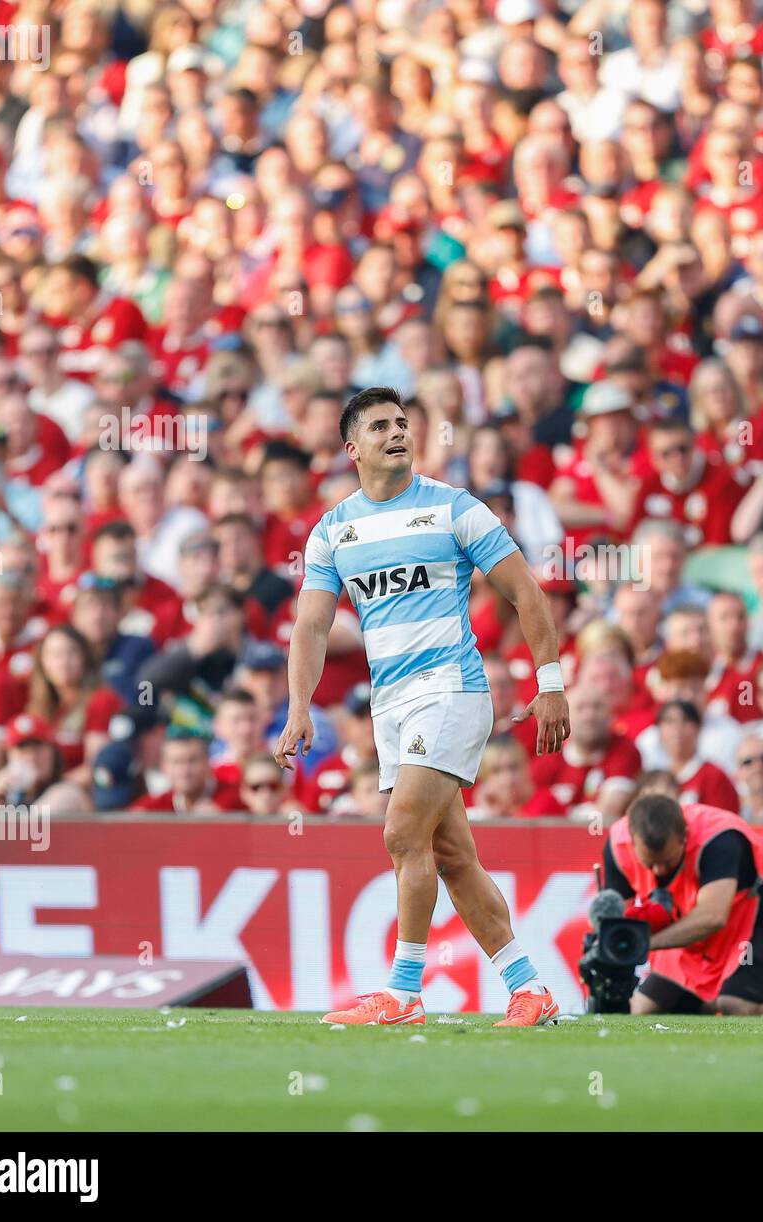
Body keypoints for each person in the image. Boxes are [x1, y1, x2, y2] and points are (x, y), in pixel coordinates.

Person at [277, 386, 569, 1028]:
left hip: (453, 690)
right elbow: (313, 628)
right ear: (353, 447)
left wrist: (550, 682)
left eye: (403, 424)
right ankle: (530, 989)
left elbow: (527, 593)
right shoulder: (334, 531)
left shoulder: (454, 509)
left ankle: (404, 992)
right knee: (452, 856)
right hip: (393, 708)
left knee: (400, 832)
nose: (397, 433)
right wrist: (299, 707)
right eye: (380, 426)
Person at [602, 789, 763, 1016]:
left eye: (667, 861)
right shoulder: (618, 846)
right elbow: (617, 920)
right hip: (705, 932)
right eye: (650, 863)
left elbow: (712, 917)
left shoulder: (719, 838)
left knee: (733, 1005)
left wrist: (645, 943)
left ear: (684, 836)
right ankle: (708, 1002)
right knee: (641, 1011)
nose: (659, 870)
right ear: (633, 843)